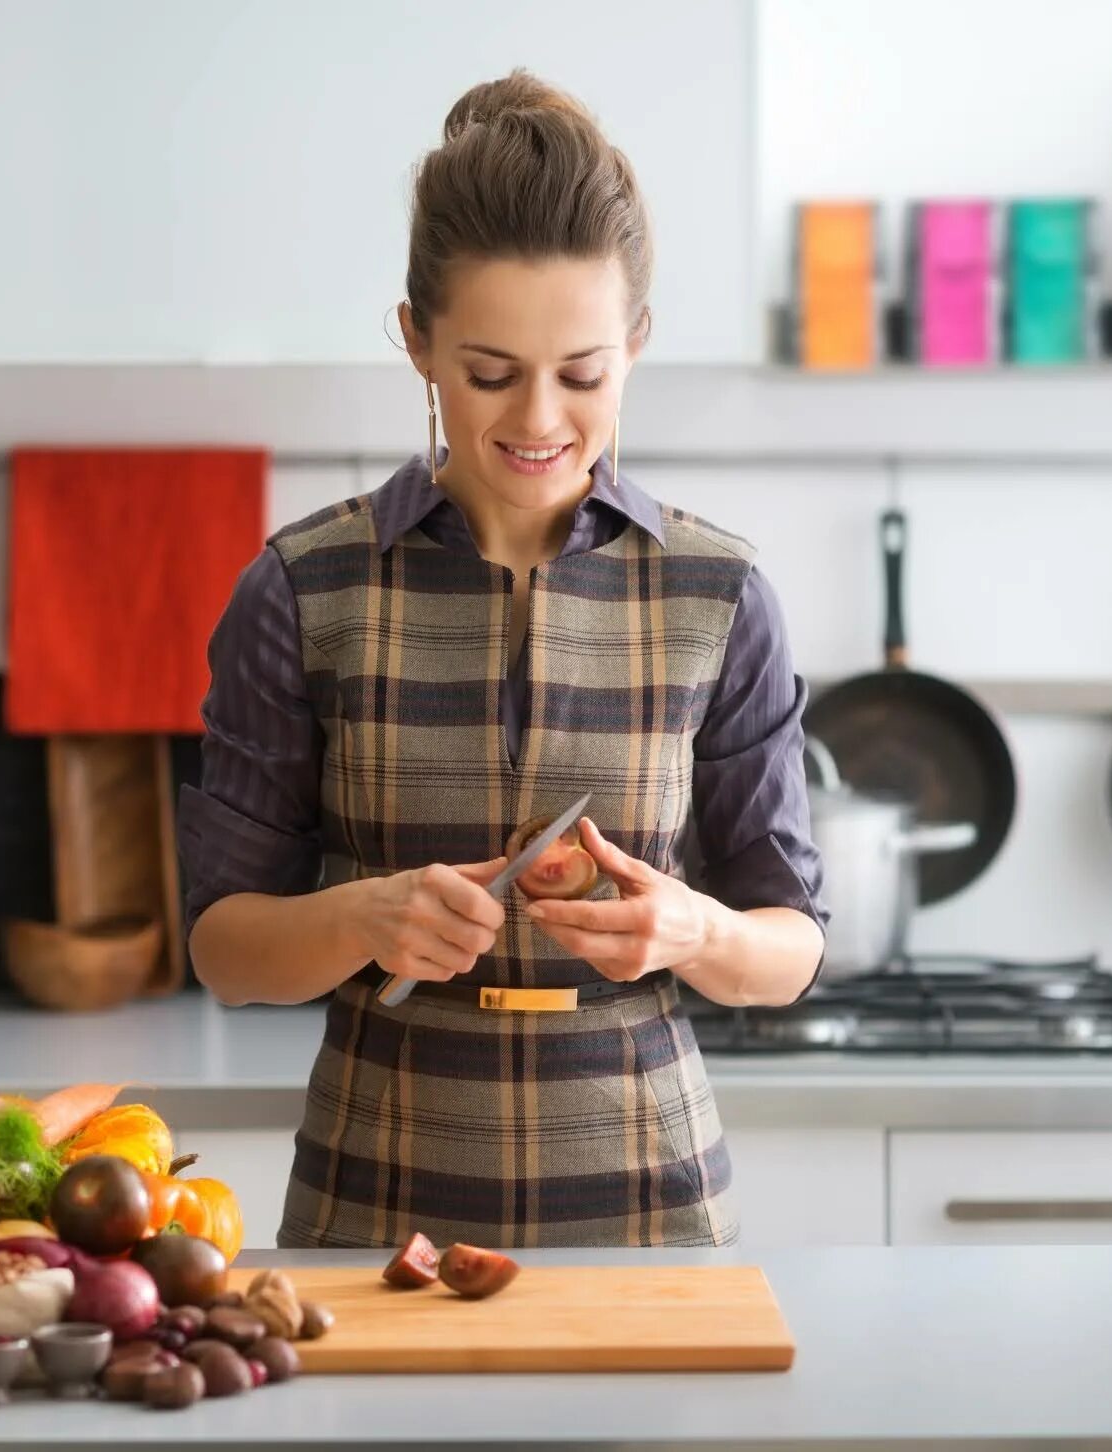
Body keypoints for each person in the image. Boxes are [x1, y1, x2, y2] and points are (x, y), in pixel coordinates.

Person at [178, 70, 827, 1250]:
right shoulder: (301, 589)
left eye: (581, 374)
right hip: (374, 1211)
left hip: (650, 1210)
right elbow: (222, 948)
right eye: (489, 372)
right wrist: (361, 920)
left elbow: (788, 948)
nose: (538, 420)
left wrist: (692, 931)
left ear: (634, 343)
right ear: (416, 340)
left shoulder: (717, 596)